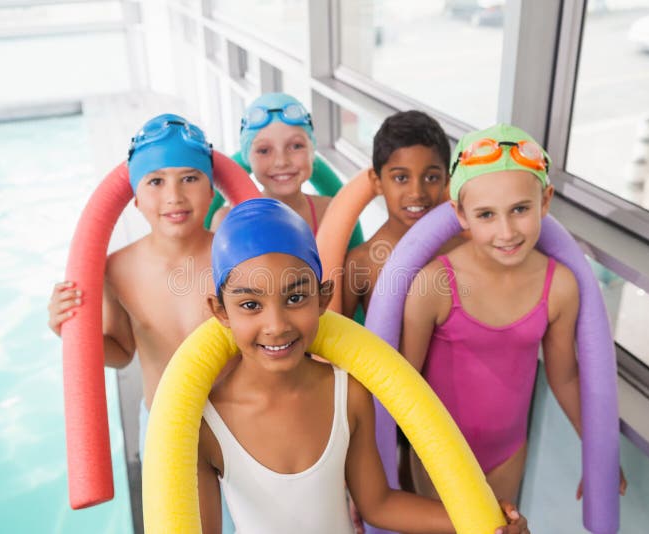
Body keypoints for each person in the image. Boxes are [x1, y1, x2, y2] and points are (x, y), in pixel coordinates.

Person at [198, 197, 530, 534]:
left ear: (324, 297)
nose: (276, 324)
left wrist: (485, 522)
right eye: (251, 304)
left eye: (296, 298)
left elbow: (378, 504)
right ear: (221, 311)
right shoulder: (206, 423)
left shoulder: (347, 393)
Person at [401, 124, 627, 504]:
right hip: (437, 451)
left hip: (507, 454)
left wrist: (599, 453)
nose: (506, 232)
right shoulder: (434, 285)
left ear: (545, 201)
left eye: (520, 209)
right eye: (486, 215)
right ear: (460, 213)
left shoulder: (559, 286)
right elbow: (399, 381)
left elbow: (567, 376)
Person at [47, 113, 216, 460]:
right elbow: (122, 353)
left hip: (240, 420)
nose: (174, 196)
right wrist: (72, 334)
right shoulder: (116, 269)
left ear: (212, 189)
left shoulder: (237, 258)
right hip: (165, 424)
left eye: (189, 178)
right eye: (155, 181)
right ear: (134, 198)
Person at [342, 110, 462, 318]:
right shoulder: (361, 263)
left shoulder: (462, 251)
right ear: (377, 181)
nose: (417, 193)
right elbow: (337, 338)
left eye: (431, 177)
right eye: (401, 178)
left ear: (447, 181)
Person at [210, 93, 331, 234]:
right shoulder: (227, 221)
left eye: (296, 146)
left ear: (312, 150)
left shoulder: (331, 211)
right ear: (247, 158)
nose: (282, 162)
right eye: (264, 150)